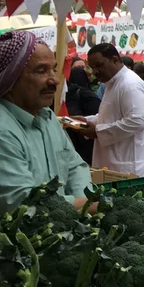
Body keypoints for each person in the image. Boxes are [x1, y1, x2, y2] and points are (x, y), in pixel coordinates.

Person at [0, 31, 91, 212]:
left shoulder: (48, 118)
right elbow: (22, 202)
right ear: (10, 78)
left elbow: (75, 167)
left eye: (54, 69)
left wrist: (85, 200)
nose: (54, 80)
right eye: (41, 71)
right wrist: (88, 205)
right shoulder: (4, 129)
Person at [79, 44, 144, 177]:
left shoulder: (129, 84)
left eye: (99, 65)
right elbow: (111, 115)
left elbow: (137, 120)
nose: (95, 72)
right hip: (118, 163)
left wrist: (98, 132)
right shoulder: (113, 83)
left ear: (115, 60)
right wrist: (85, 121)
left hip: (131, 166)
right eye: (92, 68)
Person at [65, 65, 101, 165]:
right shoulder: (62, 96)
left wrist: (83, 123)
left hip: (85, 145)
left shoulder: (85, 96)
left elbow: (101, 118)